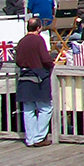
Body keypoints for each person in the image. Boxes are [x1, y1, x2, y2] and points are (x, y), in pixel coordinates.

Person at [15, 18, 55, 147]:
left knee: (28, 109)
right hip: (38, 76)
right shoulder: (38, 40)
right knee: (46, 108)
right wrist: (50, 64)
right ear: (39, 28)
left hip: (24, 75)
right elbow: (45, 58)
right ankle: (39, 137)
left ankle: (30, 138)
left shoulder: (21, 41)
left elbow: (18, 60)